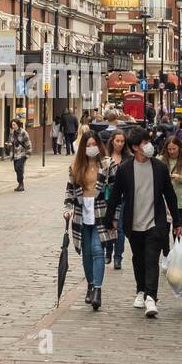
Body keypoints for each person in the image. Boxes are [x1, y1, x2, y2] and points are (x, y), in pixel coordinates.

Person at [103, 127, 182, 319]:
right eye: (144, 143)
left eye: (149, 142)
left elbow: (169, 195)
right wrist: (109, 219)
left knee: (151, 260)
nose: (148, 146)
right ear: (135, 147)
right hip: (133, 224)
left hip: (155, 223)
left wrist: (178, 221)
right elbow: (115, 196)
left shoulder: (159, 167)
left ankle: (151, 298)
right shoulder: (125, 169)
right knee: (138, 260)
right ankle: (140, 290)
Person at [63, 129, 116, 310]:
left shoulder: (108, 164)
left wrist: (114, 216)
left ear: (99, 146)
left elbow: (115, 193)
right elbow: (70, 191)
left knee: (96, 250)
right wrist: (68, 209)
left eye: (94, 144)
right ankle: (90, 285)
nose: (92, 148)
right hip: (81, 214)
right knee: (86, 253)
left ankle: (98, 291)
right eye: (88, 145)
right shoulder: (75, 167)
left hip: (101, 214)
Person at [102, 128, 130, 270]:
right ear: (112, 142)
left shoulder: (128, 158)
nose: (119, 144)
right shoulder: (105, 157)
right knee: (108, 224)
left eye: (122, 141)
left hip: (124, 198)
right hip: (108, 196)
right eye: (117, 141)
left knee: (119, 228)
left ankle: (118, 257)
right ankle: (108, 251)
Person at [9, 117, 31, 191]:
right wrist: (9, 144)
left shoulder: (23, 132)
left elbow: (28, 143)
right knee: (16, 169)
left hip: (22, 153)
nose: (13, 126)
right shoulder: (12, 133)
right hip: (15, 154)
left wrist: (28, 154)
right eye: (12, 125)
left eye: (14, 125)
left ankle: (21, 184)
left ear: (18, 125)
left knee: (19, 168)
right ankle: (19, 183)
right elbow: (11, 142)